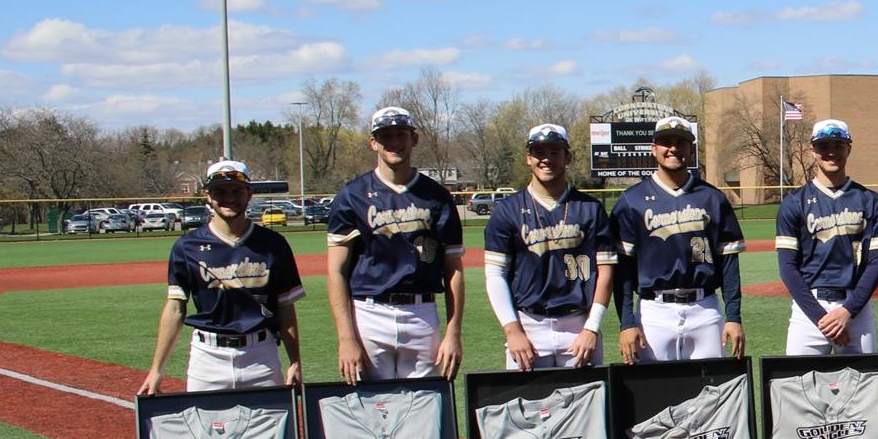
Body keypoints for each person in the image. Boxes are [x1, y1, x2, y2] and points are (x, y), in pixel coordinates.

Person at [325, 106, 466, 383]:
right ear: (373, 143)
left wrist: (453, 333)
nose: (394, 142)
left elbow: (453, 269)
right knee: (373, 410)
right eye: (385, 136)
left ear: (414, 139)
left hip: (422, 313)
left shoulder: (436, 196)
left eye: (401, 134)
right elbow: (336, 271)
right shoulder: (352, 195)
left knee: (425, 406)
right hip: (369, 313)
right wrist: (346, 338)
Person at [139, 159, 304, 394]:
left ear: (249, 193)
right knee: (205, 428)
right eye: (220, 192)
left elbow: (285, 307)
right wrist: (157, 370)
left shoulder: (273, 244)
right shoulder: (187, 246)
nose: (229, 198)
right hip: (208, 357)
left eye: (237, 191)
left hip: (260, 355)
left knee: (272, 427)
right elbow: (175, 308)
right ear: (208, 196)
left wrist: (295, 361)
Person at [481, 123, 615, 370]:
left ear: (568, 157)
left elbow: (605, 271)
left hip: (578, 325)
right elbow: (495, 274)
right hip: (528, 325)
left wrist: (591, 328)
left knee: (587, 404)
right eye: (539, 152)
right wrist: (512, 330)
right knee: (526, 405)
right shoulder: (507, 210)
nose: (547, 160)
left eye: (555, 152)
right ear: (529, 158)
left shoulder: (590, 209)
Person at [612, 115, 746, 362]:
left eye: (681, 142)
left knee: (712, 390)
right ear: (654, 149)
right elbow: (623, 271)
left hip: (704, 308)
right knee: (652, 392)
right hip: (654, 311)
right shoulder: (632, 200)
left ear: (691, 149)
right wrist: (627, 323)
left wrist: (734, 317)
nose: (673, 148)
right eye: (666, 141)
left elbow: (729, 263)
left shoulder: (712, 198)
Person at [774, 119, 878, 355]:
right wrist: (823, 319)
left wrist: (847, 311)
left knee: (865, 384)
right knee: (798, 385)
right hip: (809, 309)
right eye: (824, 146)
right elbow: (788, 267)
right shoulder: (794, 202)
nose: (831, 152)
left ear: (849, 148)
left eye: (838, 145)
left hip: (855, 308)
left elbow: (877, 262)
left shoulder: (869, 200)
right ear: (813, 151)